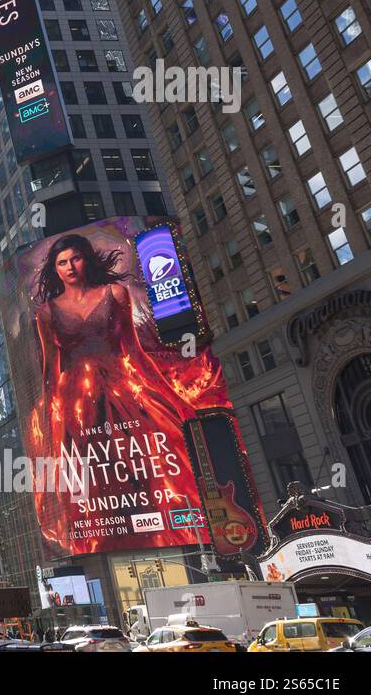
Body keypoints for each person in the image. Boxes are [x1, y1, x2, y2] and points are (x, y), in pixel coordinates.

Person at [28, 233, 228, 554]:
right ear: (55, 268)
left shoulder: (115, 293)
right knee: (97, 476)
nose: (70, 267)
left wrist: (167, 394)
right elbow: (52, 371)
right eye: (62, 262)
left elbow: (133, 351)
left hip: (122, 387)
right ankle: (115, 535)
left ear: (86, 259)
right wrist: (53, 423)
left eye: (75, 258)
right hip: (76, 401)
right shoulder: (47, 314)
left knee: (146, 461)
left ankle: (176, 527)